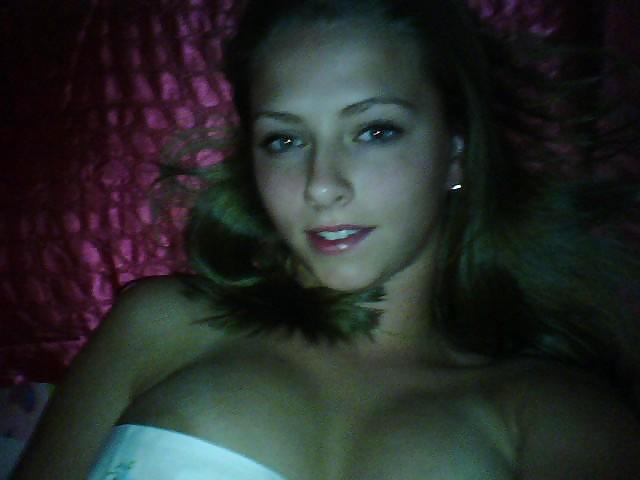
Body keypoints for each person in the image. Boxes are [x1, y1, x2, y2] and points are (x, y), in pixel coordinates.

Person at [12, 0, 640, 478]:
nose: (321, 185)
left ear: (456, 153)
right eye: (285, 140)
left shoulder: (557, 413)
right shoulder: (162, 326)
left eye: (375, 131)